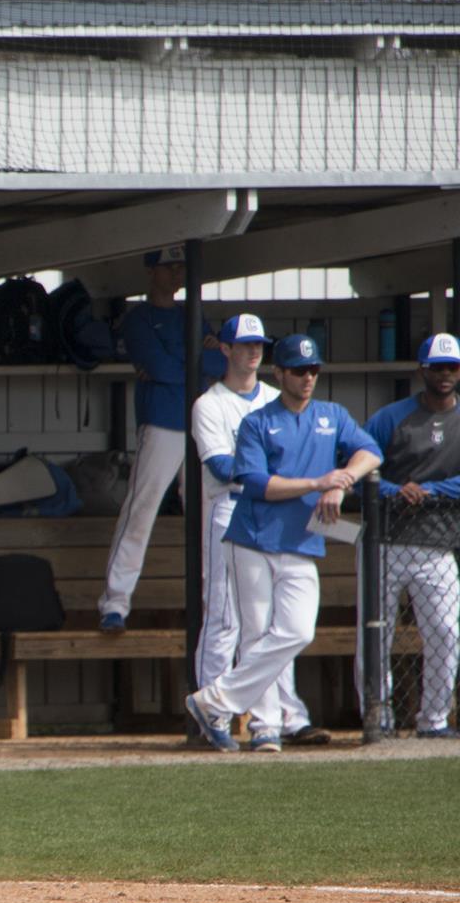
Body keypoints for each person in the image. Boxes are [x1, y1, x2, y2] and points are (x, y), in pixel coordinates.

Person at [185, 334, 380, 753]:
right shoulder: (258, 419)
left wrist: (342, 482)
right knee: (256, 634)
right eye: (298, 370)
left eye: (314, 370)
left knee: (296, 630)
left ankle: (214, 700)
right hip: (253, 536)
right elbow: (253, 482)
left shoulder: (331, 414)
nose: (307, 377)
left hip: (302, 540)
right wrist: (317, 482)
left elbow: (370, 451)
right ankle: (265, 727)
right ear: (280, 373)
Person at [190, 314, 325, 752]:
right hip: (229, 510)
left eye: (258, 344)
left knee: (279, 624)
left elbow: (305, 457)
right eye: (243, 344)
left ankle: (283, 716)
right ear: (224, 348)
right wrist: (272, 472)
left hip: (280, 511)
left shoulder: (275, 398)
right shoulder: (210, 404)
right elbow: (222, 468)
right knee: (226, 618)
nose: (252, 351)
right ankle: (216, 715)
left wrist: (276, 476)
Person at [99, 245, 225, 633]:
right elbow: (159, 366)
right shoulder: (139, 318)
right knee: (141, 510)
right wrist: (196, 360)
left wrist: (191, 360)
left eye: (179, 268)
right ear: (151, 272)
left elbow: (220, 364)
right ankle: (114, 604)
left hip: (199, 423)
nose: (175, 274)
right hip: (162, 423)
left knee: (206, 515)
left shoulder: (193, 315)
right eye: (168, 268)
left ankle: (212, 604)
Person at [362, 332, 460, 738]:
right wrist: (393, 490)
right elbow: (360, 471)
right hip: (384, 541)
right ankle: (377, 715)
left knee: (446, 631)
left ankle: (434, 719)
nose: (444, 374)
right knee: (374, 633)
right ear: (421, 369)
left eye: (451, 367)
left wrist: (432, 490)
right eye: (436, 367)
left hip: (438, 542)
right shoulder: (390, 417)